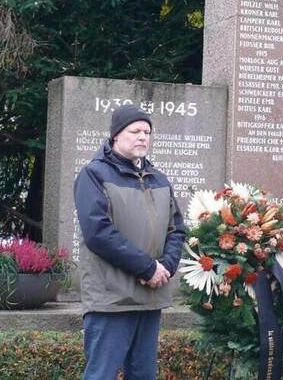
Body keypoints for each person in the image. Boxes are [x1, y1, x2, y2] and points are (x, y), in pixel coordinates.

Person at [74, 104, 186, 380]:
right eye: (134, 131)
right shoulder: (94, 174)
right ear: (116, 136)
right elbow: (98, 233)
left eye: (147, 132)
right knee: (101, 374)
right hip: (111, 299)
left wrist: (166, 268)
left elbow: (177, 230)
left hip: (150, 298)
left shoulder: (158, 178)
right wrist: (147, 268)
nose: (142, 137)